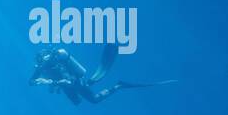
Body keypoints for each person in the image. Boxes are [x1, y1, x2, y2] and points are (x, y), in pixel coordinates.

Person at [29, 46, 172, 105]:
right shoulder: (43, 67)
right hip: (67, 84)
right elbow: (32, 81)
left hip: (71, 82)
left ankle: (118, 86)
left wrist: (50, 83)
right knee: (79, 101)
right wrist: (45, 82)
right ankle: (90, 82)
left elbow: (66, 80)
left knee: (93, 99)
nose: (41, 65)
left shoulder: (54, 66)